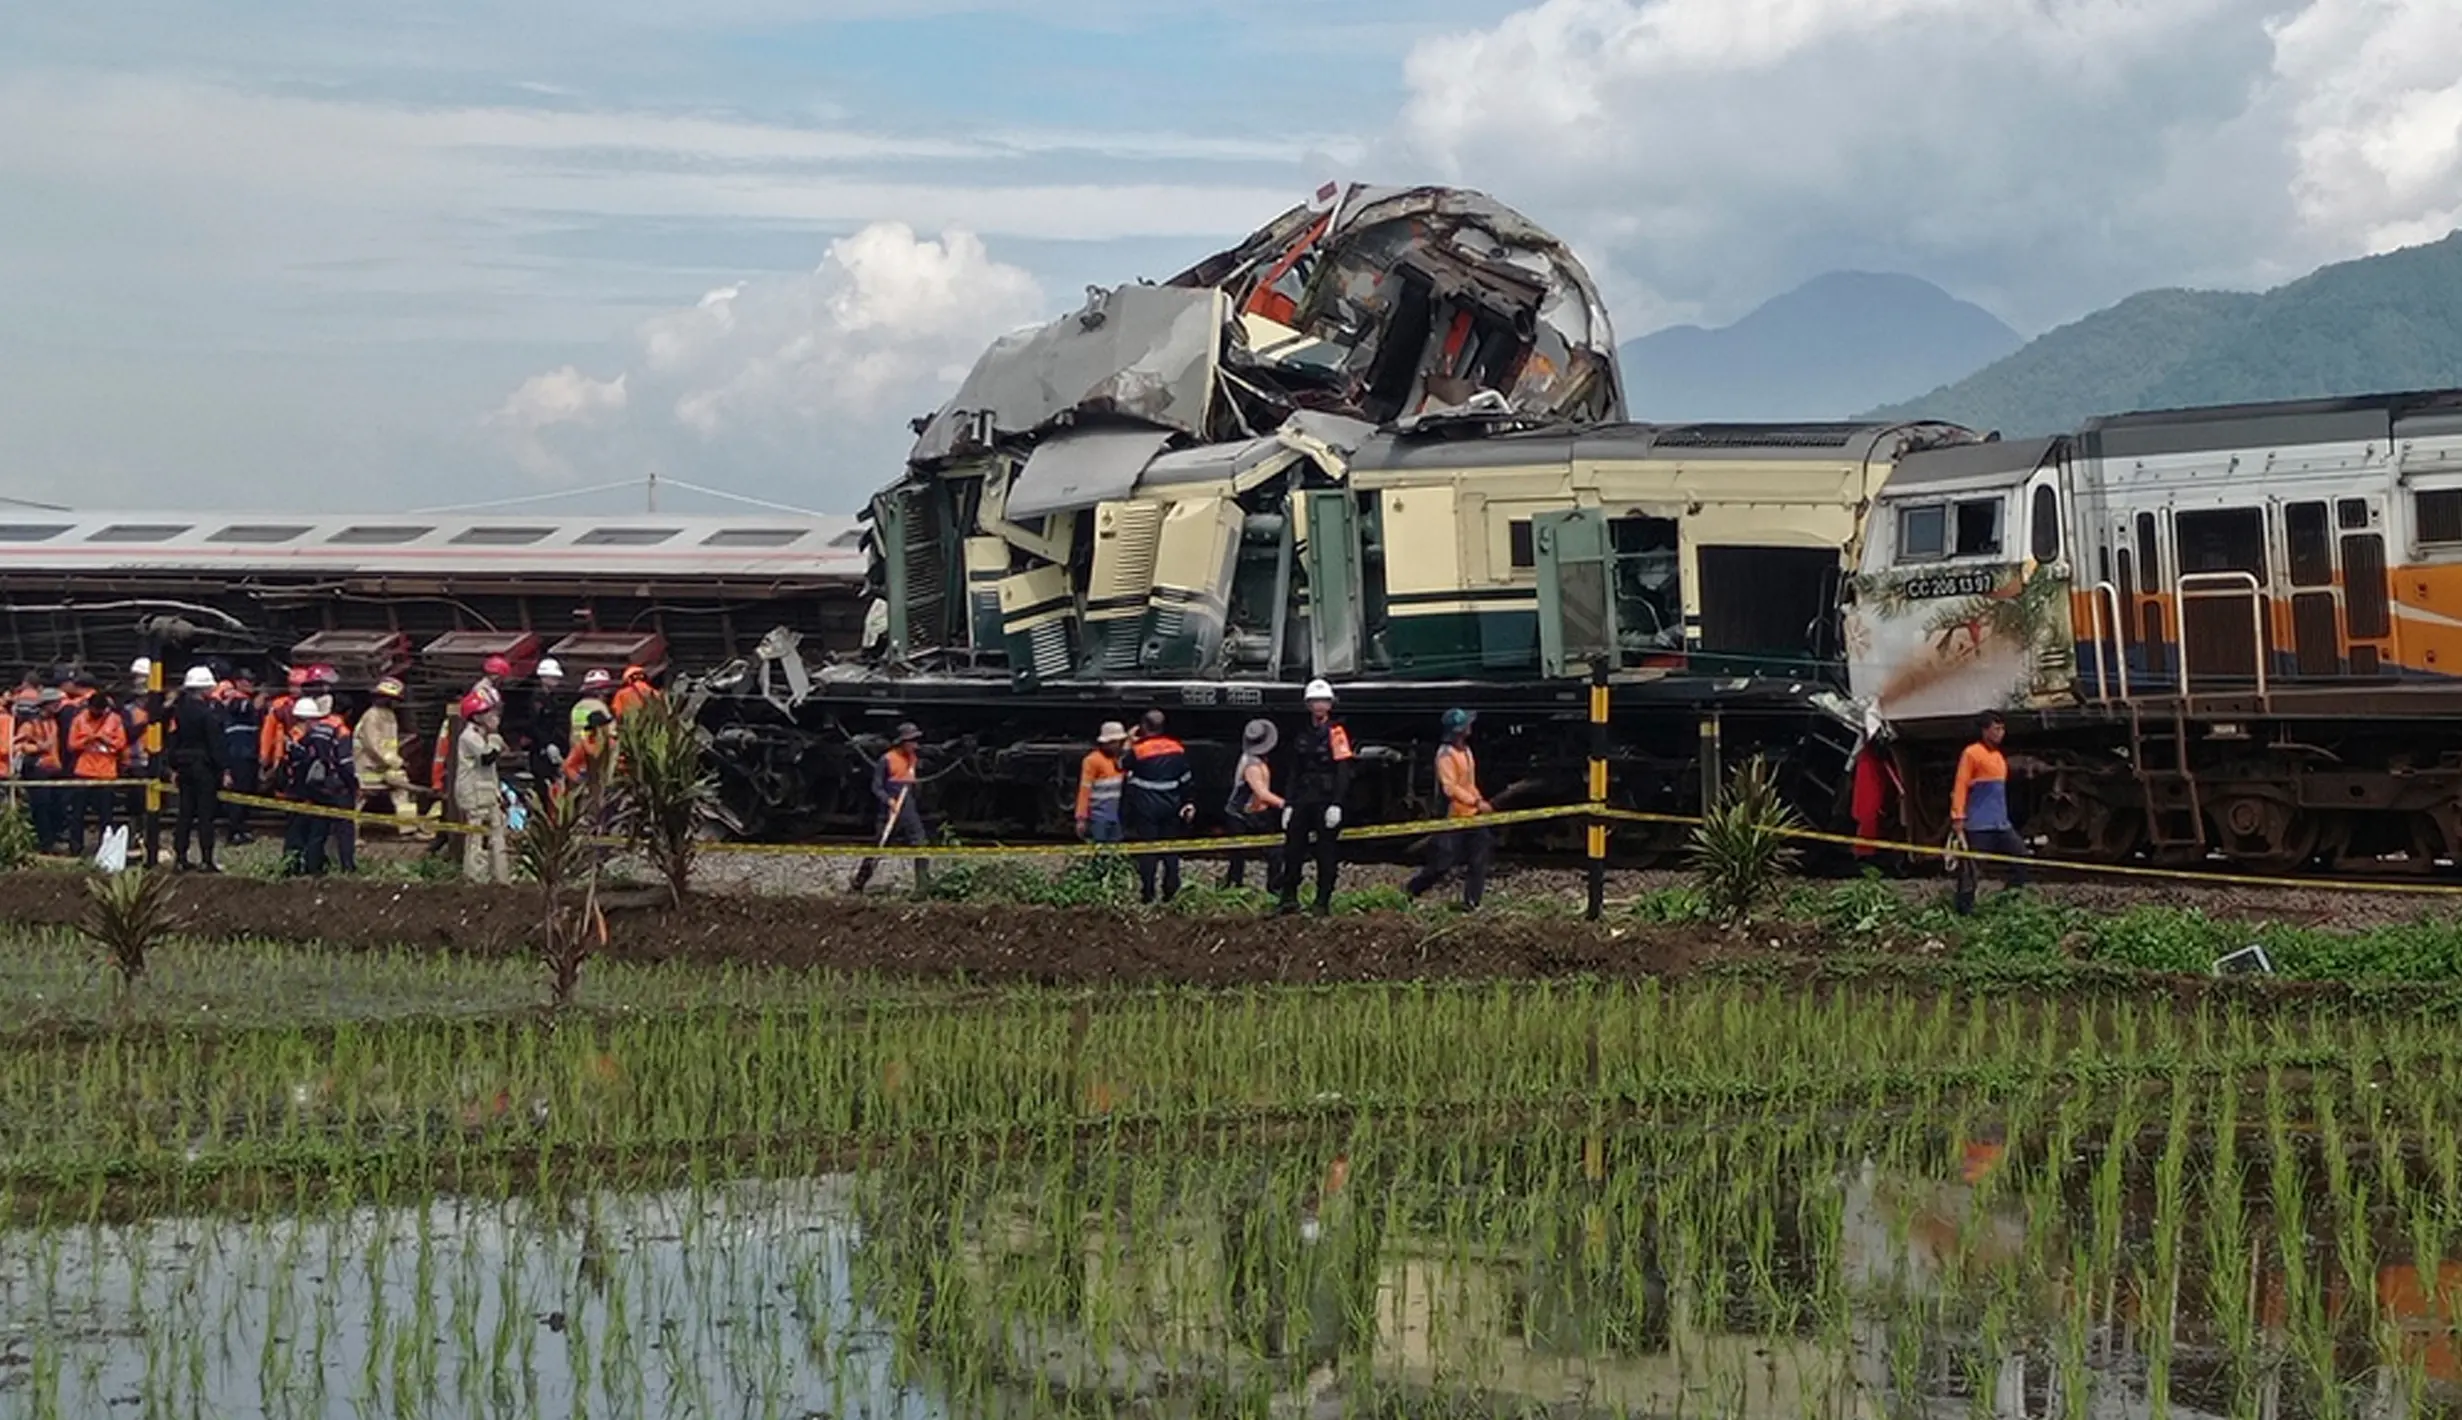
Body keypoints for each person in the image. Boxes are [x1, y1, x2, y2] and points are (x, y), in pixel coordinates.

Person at [1277, 679, 1354, 916]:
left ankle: (1322, 902)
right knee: (1293, 850)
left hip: (1326, 799)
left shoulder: (1337, 733)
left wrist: (1337, 804)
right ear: (1308, 705)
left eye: (1323, 701)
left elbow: (1343, 771)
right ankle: (1288, 898)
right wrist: (1289, 803)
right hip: (1302, 798)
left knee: (1326, 853)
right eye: (1315, 701)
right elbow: (1294, 771)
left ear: (1330, 705)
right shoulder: (1302, 734)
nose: (1319, 706)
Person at [1406, 709, 1495, 910]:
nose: (1470, 727)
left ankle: (1471, 902)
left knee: (1479, 858)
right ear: (1459, 730)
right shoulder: (1446, 754)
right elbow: (1450, 787)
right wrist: (1475, 802)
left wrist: (1479, 801)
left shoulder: (1466, 751)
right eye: (1467, 725)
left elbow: (1468, 782)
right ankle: (1411, 891)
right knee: (1442, 863)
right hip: (1454, 815)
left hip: (1471, 815)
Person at [1950, 710, 2028, 915]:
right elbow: (1960, 785)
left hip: (2000, 823)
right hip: (1979, 825)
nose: (2000, 733)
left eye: (2002, 729)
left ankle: (2007, 900)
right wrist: (1958, 818)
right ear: (1985, 731)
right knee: (1971, 870)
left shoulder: (1998, 757)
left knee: (2021, 856)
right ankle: (1964, 911)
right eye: (1996, 729)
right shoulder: (1971, 753)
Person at [1121, 710, 1194, 904]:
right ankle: (1171, 891)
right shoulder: (1177, 748)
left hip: (1146, 808)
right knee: (1170, 850)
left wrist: (1128, 741)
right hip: (1171, 805)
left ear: (1144, 727)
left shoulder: (1139, 751)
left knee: (1148, 851)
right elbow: (1186, 779)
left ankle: (1148, 893)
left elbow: (1121, 764)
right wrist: (1188, 802)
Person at [281, 694, 357, 876]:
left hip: (304, 790)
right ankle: (346, 866)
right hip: (331, 787)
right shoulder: (340, 730)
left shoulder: (301, 735)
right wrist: (353, 786)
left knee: (304, 828)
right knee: (342, 825)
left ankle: (297, 867)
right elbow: (345, 763)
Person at [850, 721, 928, 893]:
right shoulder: (886, 760)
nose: (916, 744)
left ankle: (923, 889)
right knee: (880, 845)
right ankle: (858, 883)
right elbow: (876, 787)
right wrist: (889, 801)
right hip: (889, 810)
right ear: (902, 742)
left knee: (921, 844)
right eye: (912, 741)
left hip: (908, 808)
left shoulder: (913, 759)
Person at [164, 666, 228, 872]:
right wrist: (224, 769)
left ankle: (180, 858)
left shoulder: (178, 713)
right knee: (205, 815)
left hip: (183, 768)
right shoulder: (207, 715)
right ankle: (206, 859)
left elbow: (172, 740)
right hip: (204, 769)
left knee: (185, 814)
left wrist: (172, 766)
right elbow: (215, 744)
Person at [64, 687, 131, 856]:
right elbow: (71, 744)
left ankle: (105, 848)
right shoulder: (79, 719)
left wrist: (105, 739)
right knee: (77, 813)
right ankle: (76, 848)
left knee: (106, 815)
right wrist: (88, 739)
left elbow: (121, 743)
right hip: (84, 771)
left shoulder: (114, 720)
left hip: (106, 773)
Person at [454, 695, 511, 885]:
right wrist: (496, 741)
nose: (494, 717)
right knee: (477, 836)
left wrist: (499, 793)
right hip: (474, 794)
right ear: (476, 717)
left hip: (487, 792)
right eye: (488, 713)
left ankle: (501, 877)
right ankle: (476, 878)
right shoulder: (469, 736)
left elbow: (490, 771)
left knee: (497, 835)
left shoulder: (483, 735)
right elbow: (487, 757)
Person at [1223, 719, 1286, 889]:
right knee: (1239, 855)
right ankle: (1234, 886)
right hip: (1241, 814)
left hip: (1257, 812)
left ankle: (1273, 887)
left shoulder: (1258, 759)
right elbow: (1261, 793)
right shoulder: (1251, 765)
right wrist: (1284, 804)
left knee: (1274, 851)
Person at [354, 679, 421, 835]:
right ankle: (352, 836)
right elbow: (374, 746)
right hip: (368, 767)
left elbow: (388, 743)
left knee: (403, 791)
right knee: (359, 800)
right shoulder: (372, 716)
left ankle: (408, 829)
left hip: (386, 766)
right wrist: (397, 762)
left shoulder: (388, 715)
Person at [218, 674, 262, 844]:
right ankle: (234, 831)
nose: (252, 684)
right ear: (238, 682)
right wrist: (256, 703)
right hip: (238, 754)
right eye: (248, 681)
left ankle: (240, 827)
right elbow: (243, 708)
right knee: (239, 793)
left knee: (246, 791)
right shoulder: (237, 700)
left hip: (247, 753)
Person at [1074, 721, 1128, 845]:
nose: (1119, 745)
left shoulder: (1119, 760)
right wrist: (1081, 818)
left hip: (1115, 815)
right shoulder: (1092, 760)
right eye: (1116, 742)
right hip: (1098, 817)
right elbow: (1084, 790)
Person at [562, 708, 615, 794]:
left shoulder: (612, 744)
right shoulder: (583, 745)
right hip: (589, 786)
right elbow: (568, 766)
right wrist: (580, 780)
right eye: (604, 725)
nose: (607, 728)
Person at [571, 669, 615, 740]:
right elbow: (610, 732)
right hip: (594, 748)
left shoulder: (577, 706)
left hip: (577, 747)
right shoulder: (599, 707)